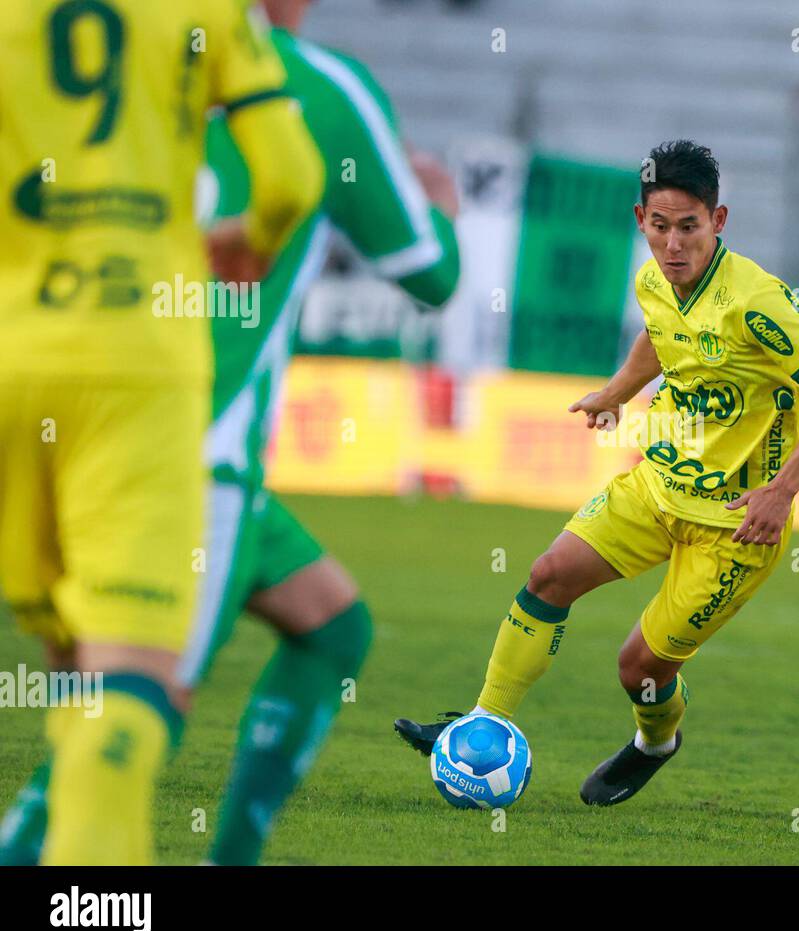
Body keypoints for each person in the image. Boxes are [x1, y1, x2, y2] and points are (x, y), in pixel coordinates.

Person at [0, 0, 458, 865]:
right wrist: (435, 200)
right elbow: (425, 271)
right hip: (175, 441)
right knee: (124, 720)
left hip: (26, 379)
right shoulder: (298, 74)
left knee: (331, 623)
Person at [395, 140, 799, 805]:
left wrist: (781, 493)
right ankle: (484, 720)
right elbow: (658, 335)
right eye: (660, 226)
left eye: (689, 227)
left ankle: (655, 741)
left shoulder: (758, 303)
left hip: (734, 526)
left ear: (718, 221)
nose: (673, 244)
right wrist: (616, 391)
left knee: (638, 668)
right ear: (640, 219)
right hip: (658, 486)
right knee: (547, 576)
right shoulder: (653, 280)